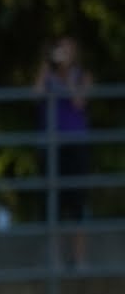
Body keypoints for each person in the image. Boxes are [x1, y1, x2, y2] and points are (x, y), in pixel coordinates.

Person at [33, 35, 93, 265]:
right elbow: (35, 95)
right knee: (52, 204)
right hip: (50, 144)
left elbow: (79, 101)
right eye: (60, 49)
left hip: (75, 144)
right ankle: (54, 262)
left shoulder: (83, 75)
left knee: (77, 203)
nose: (63, 54)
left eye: (68, 50)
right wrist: (45, 68)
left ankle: (79, 260)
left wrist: (66, 76)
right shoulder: (46, 73)